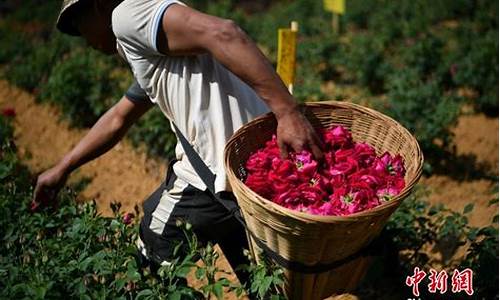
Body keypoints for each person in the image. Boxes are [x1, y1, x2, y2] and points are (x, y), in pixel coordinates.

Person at [32, 0, 323, 284]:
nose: (82, 38)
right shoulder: (151, 49)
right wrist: (63, 167)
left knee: (147, 266)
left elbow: (225, 32)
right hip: (249, 177)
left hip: (211, 182)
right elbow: (120, 116)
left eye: (78, 24)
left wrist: (288, 111)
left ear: (97, 6)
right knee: (265, 285)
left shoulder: (125, 15)